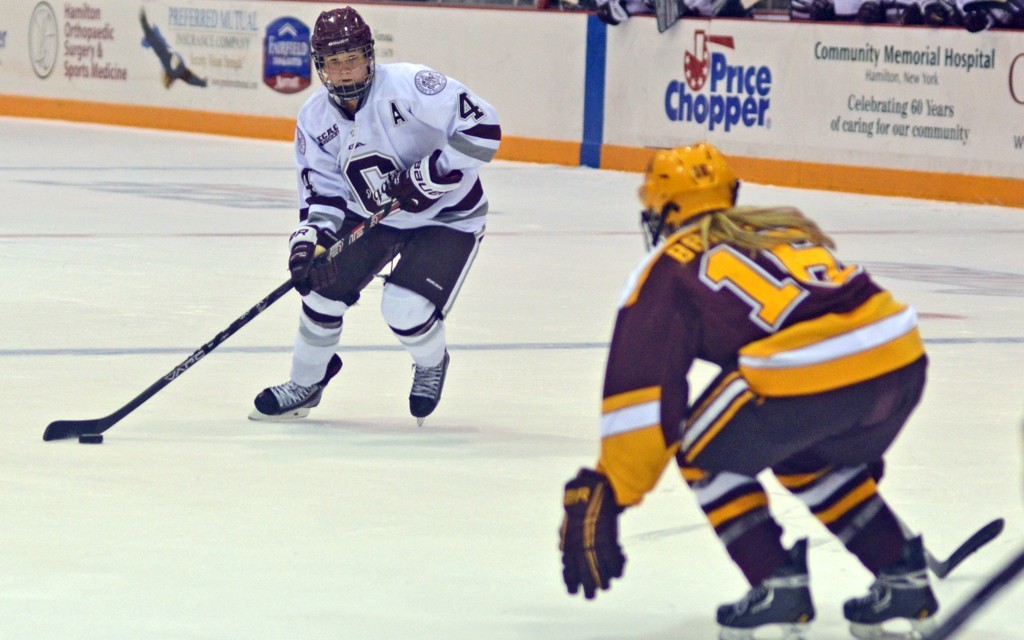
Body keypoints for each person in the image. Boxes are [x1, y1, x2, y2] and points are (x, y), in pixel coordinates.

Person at [559, 143, 939, 640]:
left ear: (667, 209)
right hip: (900, 361)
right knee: (805, 457)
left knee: (702, 451)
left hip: (815, 372)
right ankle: (901, 575)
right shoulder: (781, 229)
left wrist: (613, 487)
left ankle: (775, 582)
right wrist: (851, 433)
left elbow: (642, 389)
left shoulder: (670, 266)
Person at [250, 7, 501, 425]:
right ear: (320, 65)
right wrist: (310, 241)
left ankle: (431, 363)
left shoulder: (412, 85)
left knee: (403, 309)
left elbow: (484, 130)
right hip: (374, 216)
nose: (344, 70)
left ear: (369, 55)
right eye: (333, 61)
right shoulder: (314, 118)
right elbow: (323, 196)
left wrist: (431, 173)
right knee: (318, 289)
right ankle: (306, 382)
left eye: (352, 58)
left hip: (448, 217)